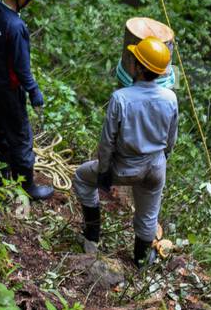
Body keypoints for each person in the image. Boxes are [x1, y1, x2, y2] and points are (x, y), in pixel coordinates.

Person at [73, 36, 178, 265]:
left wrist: (104, 170)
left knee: (82, 177)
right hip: (156, 166)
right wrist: (162, 159)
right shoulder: (170, 98)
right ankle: (140, 261)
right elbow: (171, 139)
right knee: (148, 215)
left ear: (139, 68)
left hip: (125, 166)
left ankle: (92, 237)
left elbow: (107, 141)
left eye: (134, 60)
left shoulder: (121, 98)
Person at [0, 0, 54, 201]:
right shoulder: (17, 26)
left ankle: (2, 177)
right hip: (8, 91)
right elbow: (22, 67)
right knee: (21, 136)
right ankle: (28, 187)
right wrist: (34, 91)